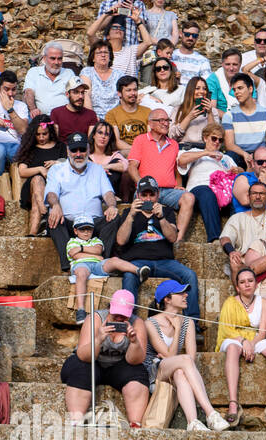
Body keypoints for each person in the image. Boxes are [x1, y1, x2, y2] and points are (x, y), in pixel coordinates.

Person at [112, 176, 200, 323]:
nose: (148, 199)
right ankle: (127, 322)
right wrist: (131, 216)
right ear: (137, 195)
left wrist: (161, 218)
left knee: (189, 275)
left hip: (164, 262)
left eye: (151, 194)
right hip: (137, 262)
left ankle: (192, 324)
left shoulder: (166, 211)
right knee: (129, 277)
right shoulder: (129, 212)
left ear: (158, 195)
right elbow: (120, 240)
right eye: (144, 195)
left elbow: (173, 238)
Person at [144, 279, 228, 430]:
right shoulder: (150, 323)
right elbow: (169, 356)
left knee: (180, 372)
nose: (186, 295)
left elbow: (191, 357)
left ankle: (193, 422)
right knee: (183, 362)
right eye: (180, 293)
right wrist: (176, 330)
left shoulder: (188, 322)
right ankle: (210, 413)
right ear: (167, 299)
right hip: (155, 371)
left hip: (174, 367)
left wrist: (176, 358)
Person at [60, 288, 149, 425]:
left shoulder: (137, 324)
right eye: (116, 314)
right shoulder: (95, 319)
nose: (119, 318)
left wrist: (134, 342)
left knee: (138, 372)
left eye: (123, 315)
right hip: (90, 361)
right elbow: (83, 355)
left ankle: (135, 423)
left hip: (119, 367)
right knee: (82, 370)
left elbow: (135, 360)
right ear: (110, 308)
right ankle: (76, 421)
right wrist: (98, 339)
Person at [216, 265, 266, 427]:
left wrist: (251, 344)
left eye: (250, 281)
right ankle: (233, 403)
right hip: (234, 337)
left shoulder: (264, 303)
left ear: (255, 284)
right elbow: (226, 329)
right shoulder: (230, 302)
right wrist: (243, 342)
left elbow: (262, 331)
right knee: (232, 349)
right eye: (242, 282)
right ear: (237, 287)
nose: (247, 284)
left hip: (255, 338)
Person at [45, 132, 121, 271]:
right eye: (74, 150)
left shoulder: (97, 169)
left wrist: (111, 205)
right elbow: (51, 193)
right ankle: (67, 265)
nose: (78, 154)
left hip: (94, 222)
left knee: (115, 216)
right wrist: (55, 205)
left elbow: (108, 192)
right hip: (68, 222)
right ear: (68, 151)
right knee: (53, 217)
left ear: (88, 149)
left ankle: (101, 263)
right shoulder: (56, 169)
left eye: (82, 149)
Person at [127, 108, 195, 239]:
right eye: (161, 120)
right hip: (147, 191)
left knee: (189, 197)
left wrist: (178, 184)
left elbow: (176, 169)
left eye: (168, 120)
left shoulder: (174, 144)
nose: (166, 123)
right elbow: (132, 167)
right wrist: (141, 186)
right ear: (151, 123)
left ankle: (178, 240)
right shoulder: (140, 140)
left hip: (168, 191)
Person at [25, 42, 77, 118]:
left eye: (59, 59)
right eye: (53, 58)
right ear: (45, 58)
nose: (56, 62)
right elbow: (28, 92)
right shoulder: (34, 72)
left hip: (65, 117)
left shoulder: (69, 73)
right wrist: (33, 109)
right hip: (41, 118)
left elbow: (75, 95)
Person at [51, 77, 99, 144]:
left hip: (84, 151)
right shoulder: (56, 113)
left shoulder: (91, 114)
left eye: (82, 92)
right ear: (67, 94)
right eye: (76, 92)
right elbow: (54, 141)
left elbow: (90, 142)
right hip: (62, 151)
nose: (80, 96)